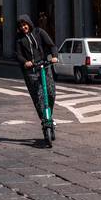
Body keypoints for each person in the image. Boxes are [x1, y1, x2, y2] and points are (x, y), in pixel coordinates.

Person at [15, 15, 59, 146]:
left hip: (45, 66)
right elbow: (17, 54)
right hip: (31, 71)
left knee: (51, 93)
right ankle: (45, 119)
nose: (23, 27)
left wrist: (54, 56)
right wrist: (25, 62)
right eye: (21, 26)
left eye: (25, 24)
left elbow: (51, 45)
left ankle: (49, 116)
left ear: (29, 23)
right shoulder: (19, 39)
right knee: (38, 97)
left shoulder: (39, 32)